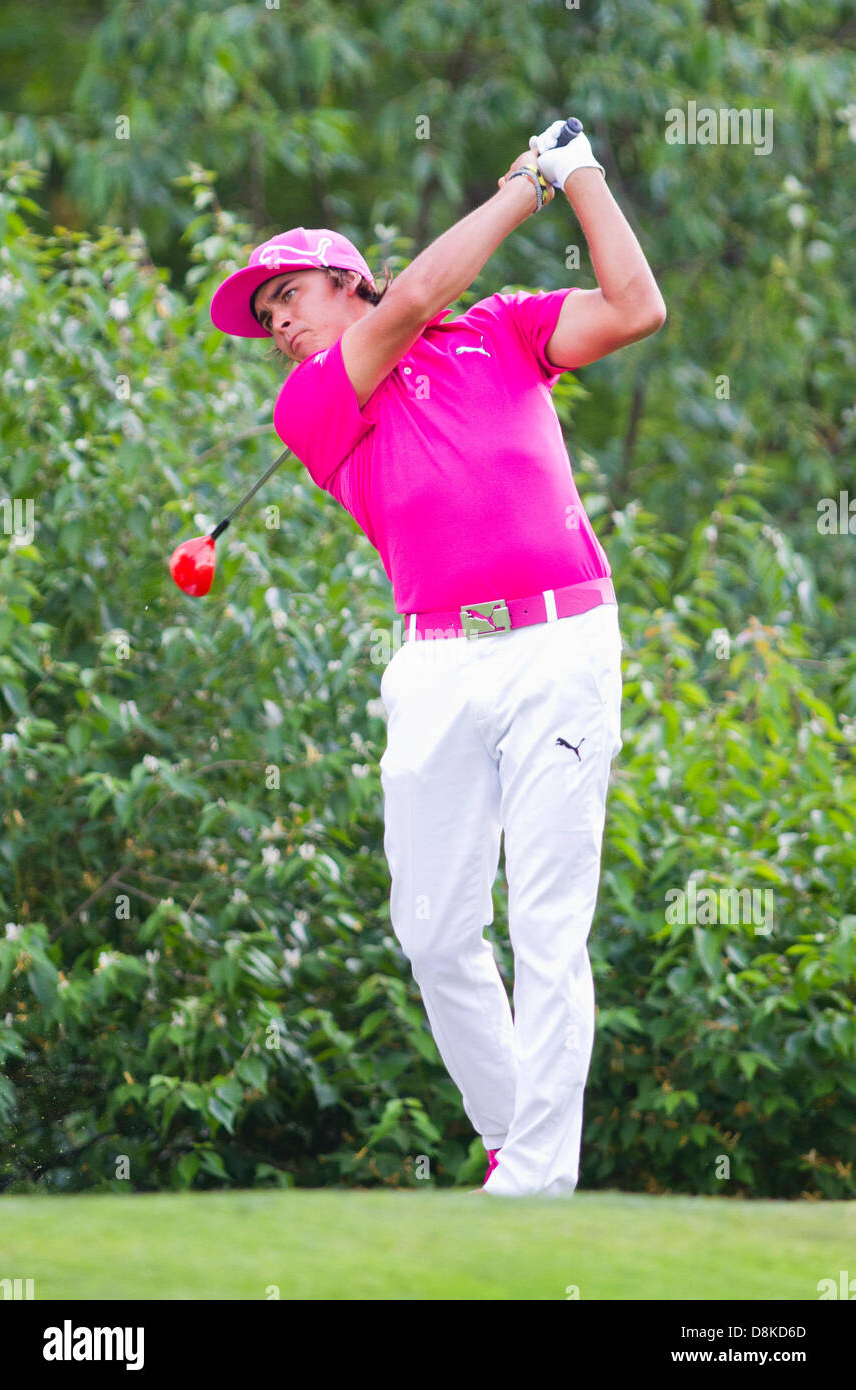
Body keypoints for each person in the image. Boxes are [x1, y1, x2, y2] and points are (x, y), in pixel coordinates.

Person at [210, 118, 666, 1198]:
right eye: (266, 317)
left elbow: (637, 307)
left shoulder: (500, 332)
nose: (277, 327)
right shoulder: (316, 403)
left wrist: (581, 174)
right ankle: (517, 1138)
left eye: (290, 300)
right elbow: (412, 300)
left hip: (559, 640)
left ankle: (533, 1181)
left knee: (547, 924)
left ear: (344, 281)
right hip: (436, 667)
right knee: (432, 929)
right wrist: (524, 185)